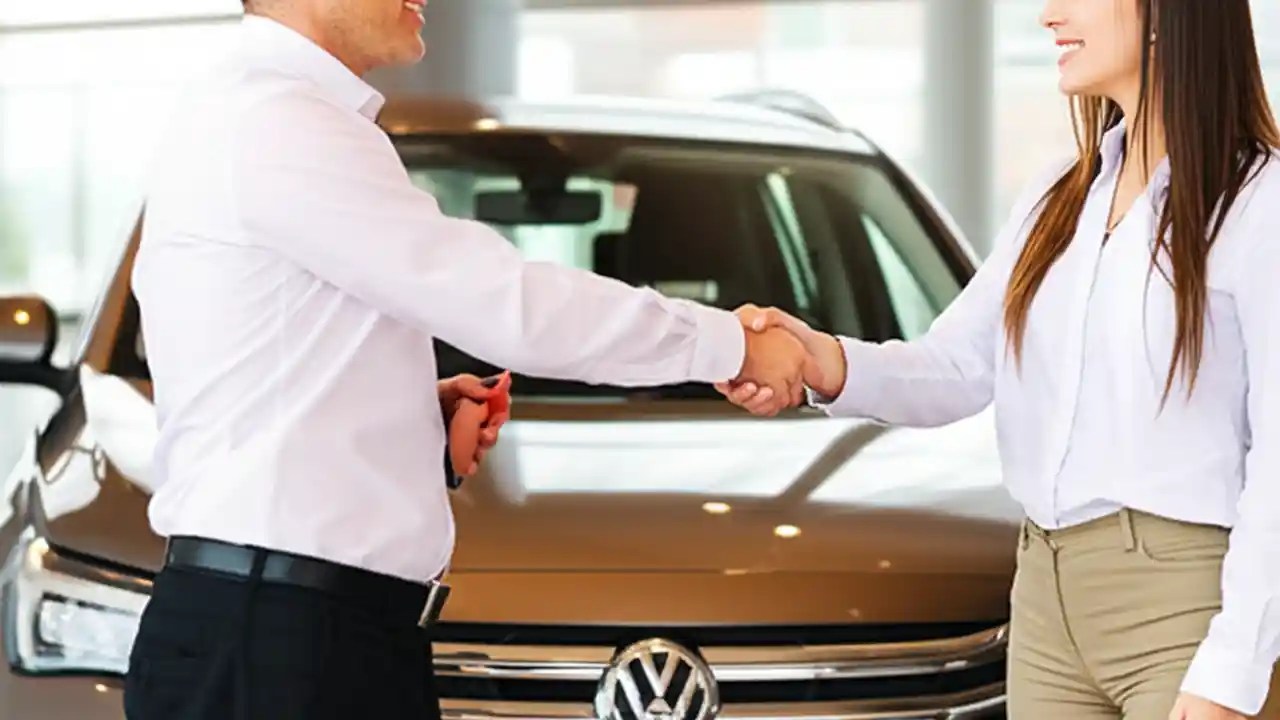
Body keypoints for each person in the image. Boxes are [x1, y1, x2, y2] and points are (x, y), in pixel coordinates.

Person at [122, 1, 810, 719]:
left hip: (296, 633)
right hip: (278, 648)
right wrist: (729, 343)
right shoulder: (278, 121)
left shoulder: (257, 110)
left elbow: (270, 365)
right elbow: (505, 304)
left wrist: (413, 424)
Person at [720, 1, 1280, 718]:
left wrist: (1230, 674)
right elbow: (956, 366)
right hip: (1045, 598)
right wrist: (818, 359)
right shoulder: (1058, 196)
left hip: (1183, 604)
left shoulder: (1258, 205)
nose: (1049, 14)